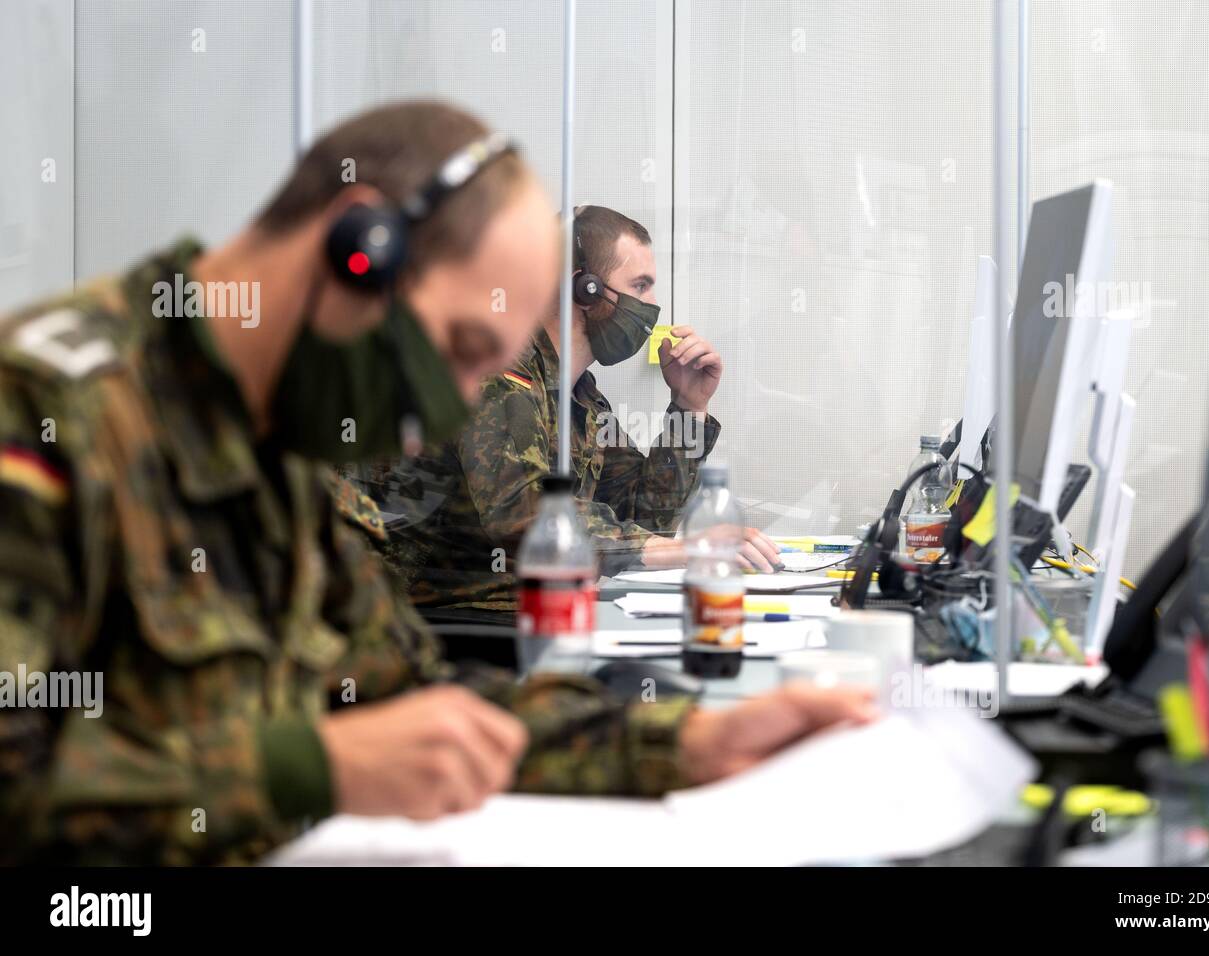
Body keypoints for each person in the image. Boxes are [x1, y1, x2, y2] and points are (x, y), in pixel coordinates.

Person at [0, 101, 874, 865]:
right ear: (358, 245)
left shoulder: (287, 442)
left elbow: (420, 697)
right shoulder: (49, 412)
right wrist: (314, 766)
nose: (455, 406)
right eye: (456, 352)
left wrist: (688, 742)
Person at [350, 205, 781, 614]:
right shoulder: (498, 372)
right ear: (584, 288)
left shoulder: (581, 396)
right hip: (451, 622)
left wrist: (688, 406)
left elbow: (643, 521)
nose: (650, 309)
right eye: (640, 286)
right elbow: (523, 513)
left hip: (522, 613)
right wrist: (689, 549)